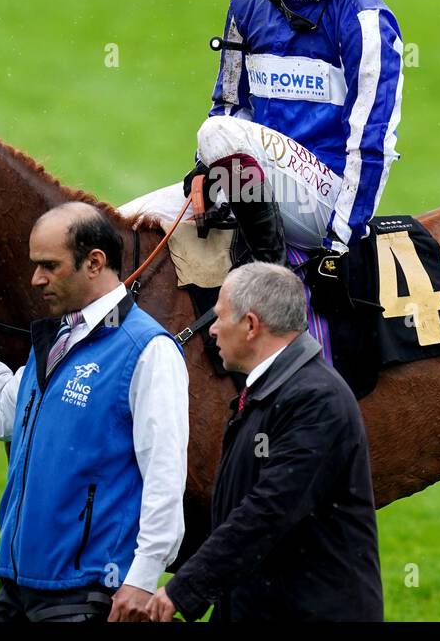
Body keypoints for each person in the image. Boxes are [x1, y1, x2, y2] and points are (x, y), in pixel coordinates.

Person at [0, 201, 189, 622]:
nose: (35, 279)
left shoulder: (147, 350)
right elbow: (5, 414)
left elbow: (166, 474)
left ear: (94, 262)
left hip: (87, 593)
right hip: (17, 586)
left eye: (49, 266)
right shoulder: (57, 340)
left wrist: (142, 578)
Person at [187, 0, 405, 266]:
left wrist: (340, 243)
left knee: (215, 133)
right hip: (260, 186)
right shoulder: (245, 3)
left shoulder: (365, 19)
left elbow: (372, 144)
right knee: (138, 215)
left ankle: (272, 275)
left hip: (327, 203)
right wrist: (207, 171)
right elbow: (233, 105)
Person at [146, 262, 382, 622]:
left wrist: (184, 589)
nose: (211, 331)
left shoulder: (316, 399)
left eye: (219, 317)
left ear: (251, 325)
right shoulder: (270, 391)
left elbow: (269, 510)